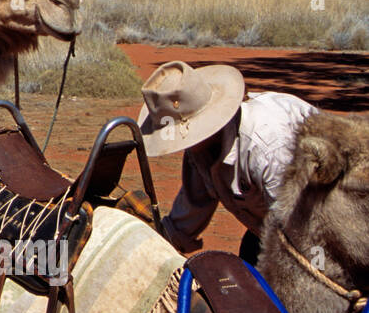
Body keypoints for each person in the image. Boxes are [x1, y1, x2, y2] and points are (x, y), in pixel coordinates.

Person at [136, 60, 318, 263]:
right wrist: (148, 248)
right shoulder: (200, 150)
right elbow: (186, 218)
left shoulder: (266, 146)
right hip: (271, 230)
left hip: (320, 233)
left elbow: (304, 231)